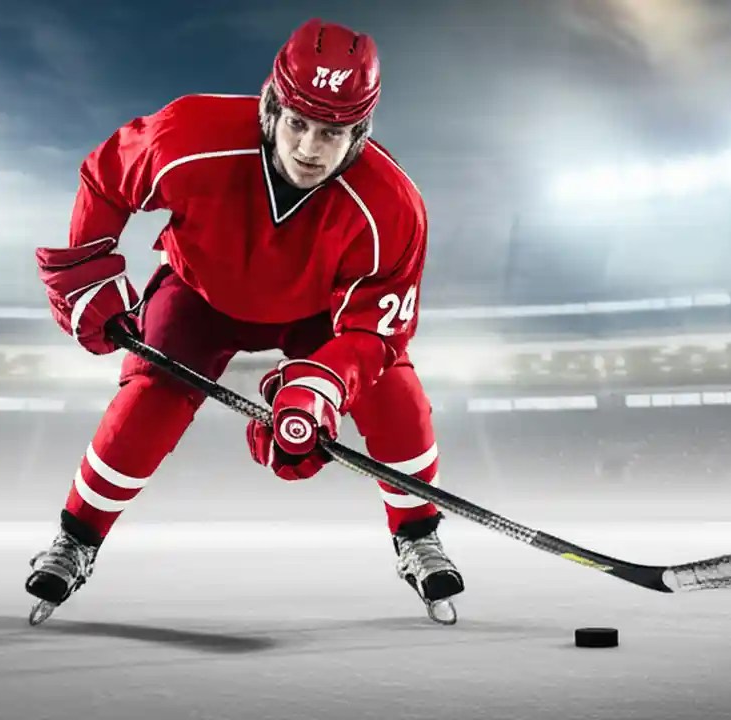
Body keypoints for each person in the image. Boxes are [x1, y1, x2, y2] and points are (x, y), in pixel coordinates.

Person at [27, 18, 463, 625]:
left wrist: (318, 390)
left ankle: (417, 533)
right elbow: (106, 180)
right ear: (271, 107)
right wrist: (86, 270)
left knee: (395, 393)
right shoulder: (188, 134)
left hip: (318, 314)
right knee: (150, 396)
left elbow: (377, 334)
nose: (309, 148)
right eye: (298, 123)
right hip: (199, 292)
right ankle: (77, 537)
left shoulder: (392, 207)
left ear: (360, 132)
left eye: (332, 132)